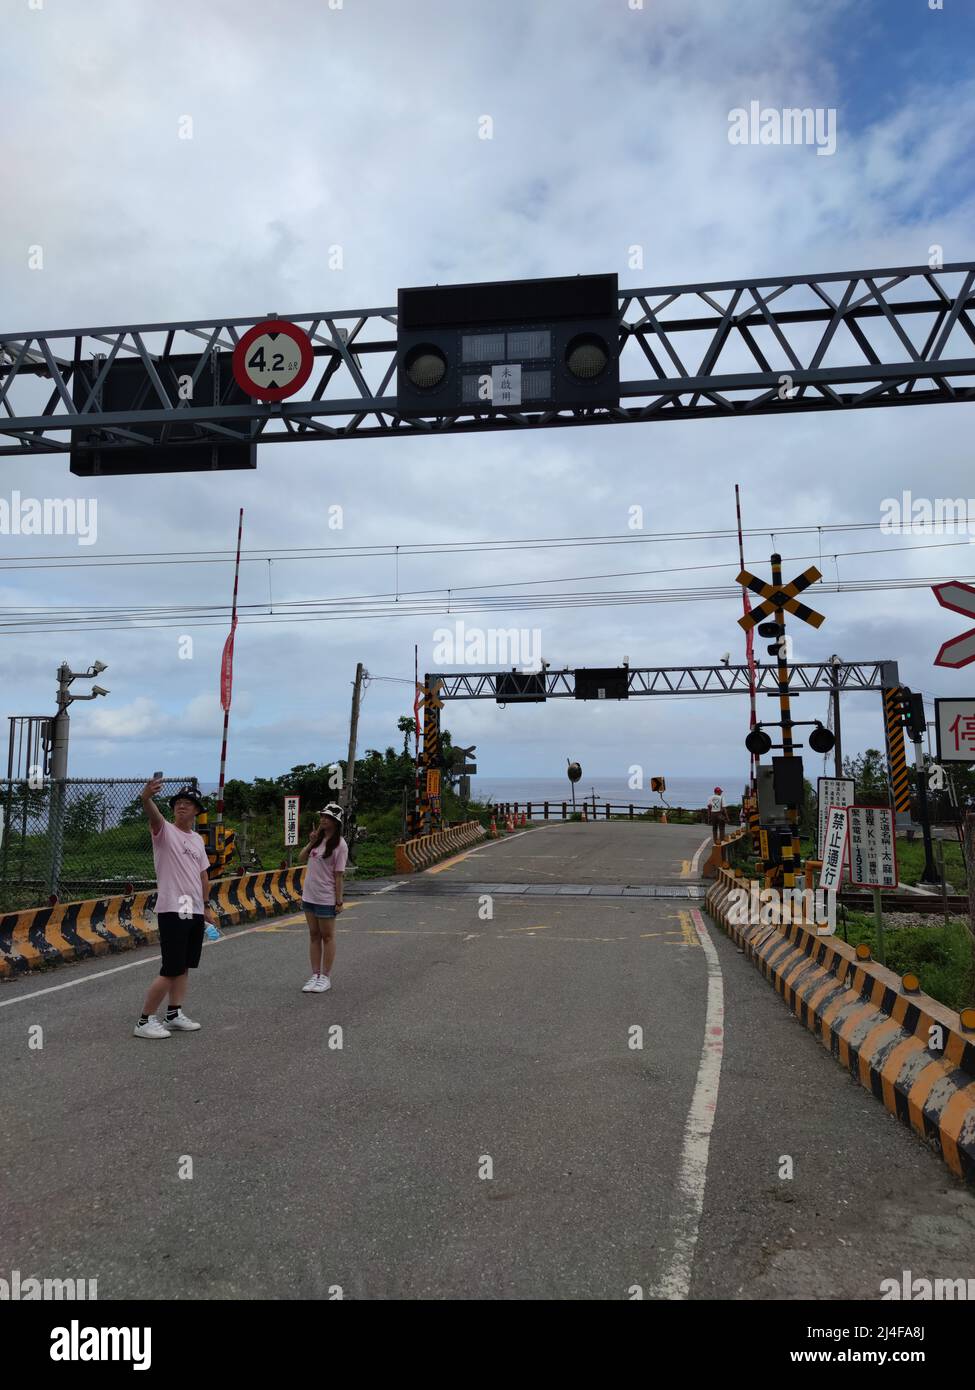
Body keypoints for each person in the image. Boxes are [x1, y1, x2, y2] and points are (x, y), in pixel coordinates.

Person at [133, 780, 217, 1039]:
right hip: (172, 909)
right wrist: (146, 798)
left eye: (187, 803)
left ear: (196, 811)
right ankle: (144, 1020)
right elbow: (154, 815)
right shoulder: (164, 831)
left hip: (194, 910)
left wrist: (206, 907)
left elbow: (203, 876)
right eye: (178, 803)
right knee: (171, 968)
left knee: (184, 966)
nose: (182, 806)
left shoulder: (197, 840)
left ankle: (174, 1013)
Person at [297, 803, 348, 994]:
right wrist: (311, 841)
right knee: (313, 935)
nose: (323, 820)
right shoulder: (317, 841)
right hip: (309, 895)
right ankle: (315, 974)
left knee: (327, 936)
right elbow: (302, 857)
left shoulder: (340, 845)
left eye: (327, 817)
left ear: (335, 821)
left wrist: (339, 901)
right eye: (322, 816)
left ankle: (325, 977)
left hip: (326, 897)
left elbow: (339, 875)